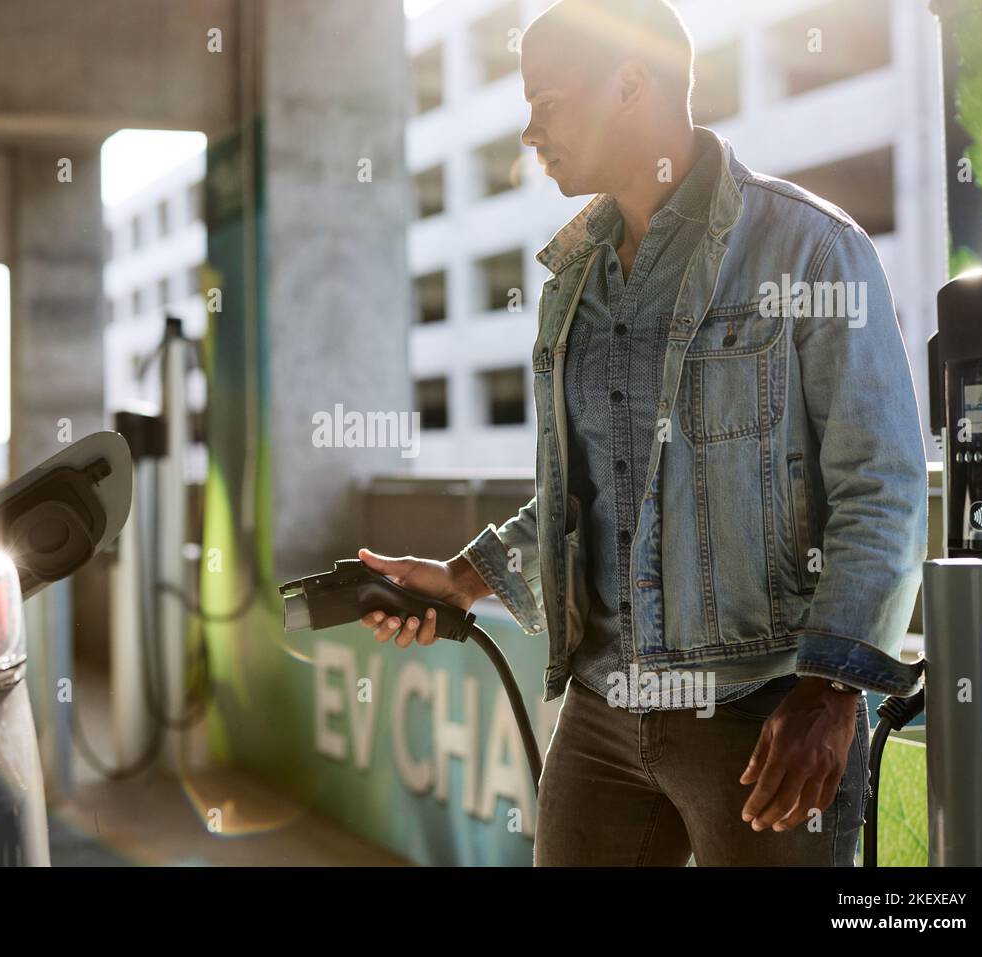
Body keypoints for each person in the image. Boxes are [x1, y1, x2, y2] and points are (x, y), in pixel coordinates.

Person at [357, 0, 926, 866]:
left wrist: (832, 689)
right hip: (599, 716)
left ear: (630, 84)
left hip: (763, 715)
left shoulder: (811, 252)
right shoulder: (572, 277)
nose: (530, 129)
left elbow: (881, 486)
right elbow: (589, 494)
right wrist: (461, 579)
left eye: (546, 99)